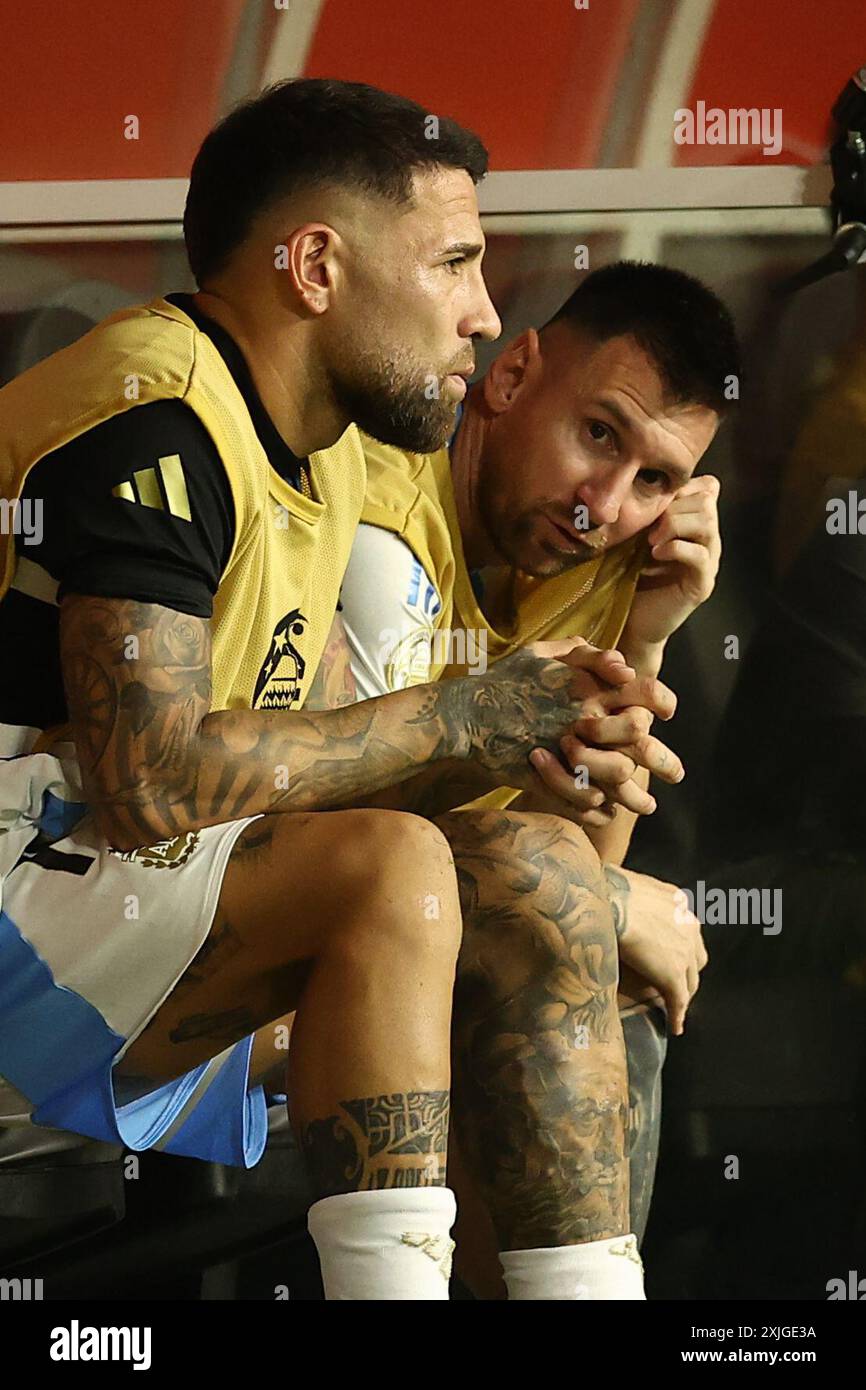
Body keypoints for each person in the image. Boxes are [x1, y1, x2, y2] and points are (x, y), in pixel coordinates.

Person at [0, 78, 683, 1300]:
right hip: (37, 899)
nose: (481, 317)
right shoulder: (154, 414)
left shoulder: (313, 451)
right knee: (392, 871)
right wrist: (463, 717)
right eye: (454, 263)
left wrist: (596, 746)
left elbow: (292, 765)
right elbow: (152, 783)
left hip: (83, 908)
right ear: (315, 265)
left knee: (541, 882)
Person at [322, 261, 738, 1291]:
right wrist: (604, 896)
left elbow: (575, 866)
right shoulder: (379, 515)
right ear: (510, 376)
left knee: (611, 989)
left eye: (652, 479)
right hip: (284, 929)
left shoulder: (590, 557)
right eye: (597, 434)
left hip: (430, 939)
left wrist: (644, 638)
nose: (603, 505)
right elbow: (344, 835)